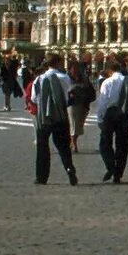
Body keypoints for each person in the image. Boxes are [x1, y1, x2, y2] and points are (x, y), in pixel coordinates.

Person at [31, 54, 77, 186]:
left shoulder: (39, 78)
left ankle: (42, 177)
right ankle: (69, 168)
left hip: (44, 117)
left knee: (42, 146)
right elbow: (69, 97)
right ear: (59, 63)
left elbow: (34, 98)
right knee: (63, 146)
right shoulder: (65, 78)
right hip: (60, 115)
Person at [94, 59, 128, 184]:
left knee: (105, 143)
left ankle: (111, 167)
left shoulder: (107, 82)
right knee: (122, 145)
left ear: (109, 71)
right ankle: (118, 174)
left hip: (110, 113)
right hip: (125, 114)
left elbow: (103, 101)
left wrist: (100, 118)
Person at [65, 58, 95, 155]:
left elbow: (90, 90)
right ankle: (74, 144)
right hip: (72, 104)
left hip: (83, 104)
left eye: (77, 68)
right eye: (74, 68)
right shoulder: (67, 78)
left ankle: (72, 140)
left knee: (79, 125)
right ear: (69, 69)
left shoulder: (84, 78)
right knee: (74, 123)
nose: (76, 70)